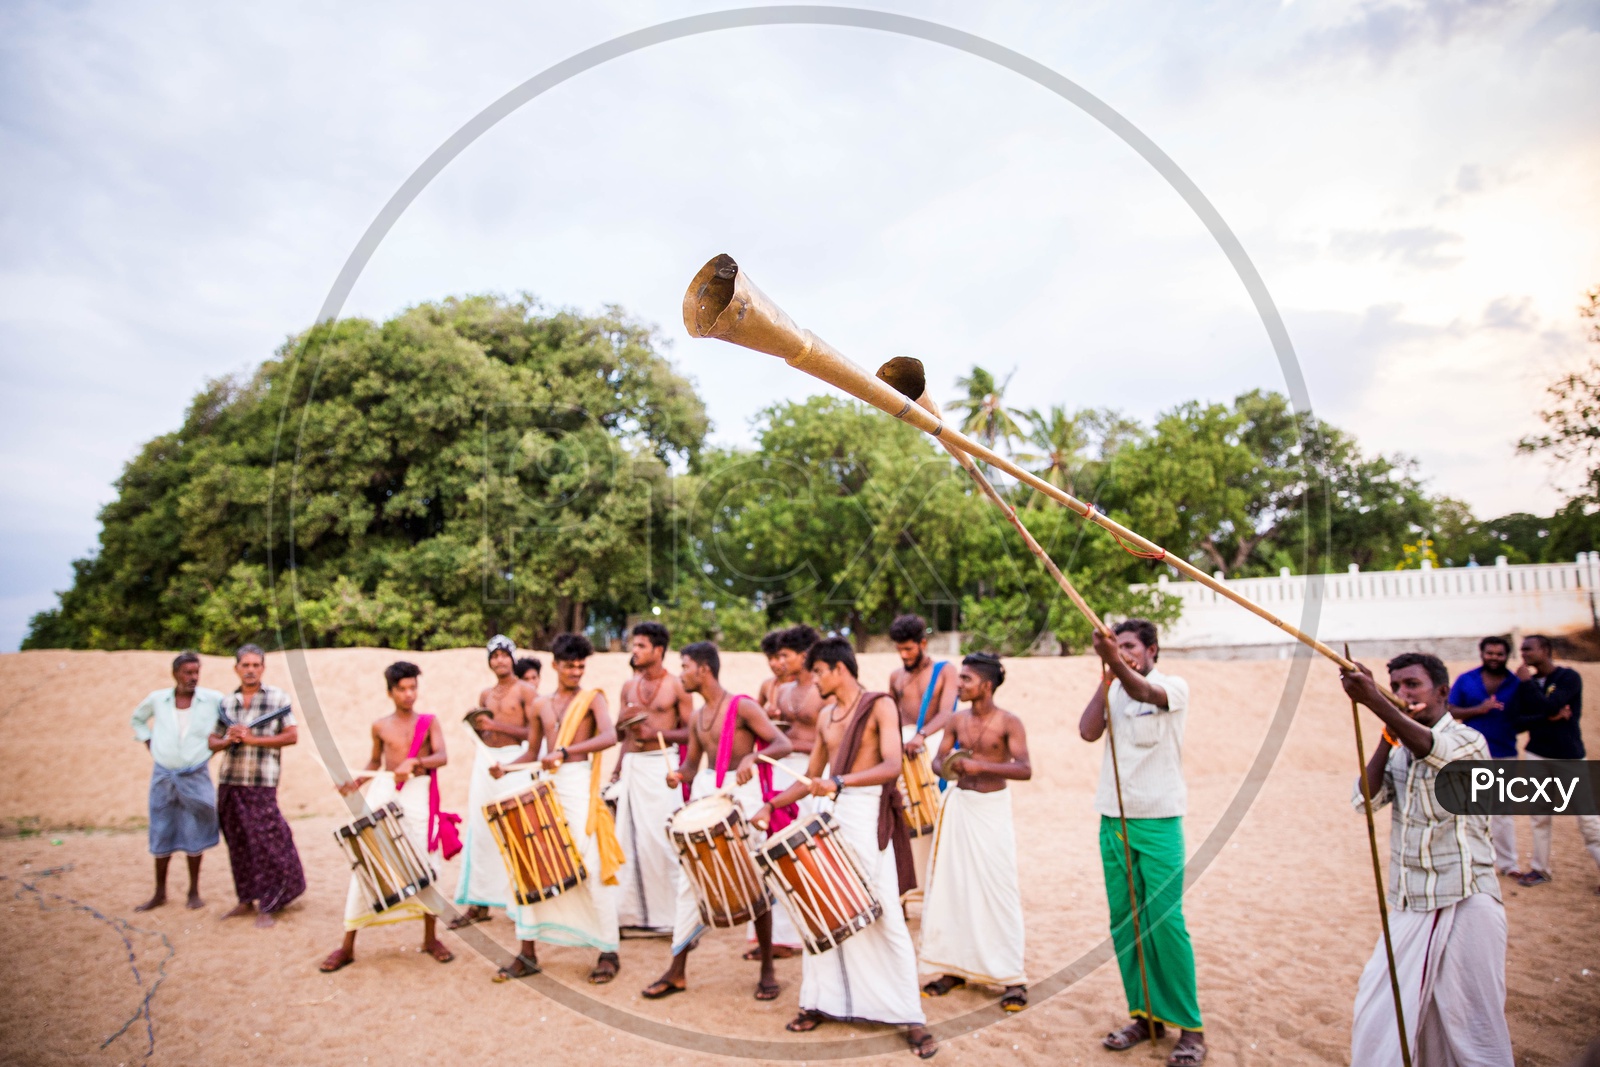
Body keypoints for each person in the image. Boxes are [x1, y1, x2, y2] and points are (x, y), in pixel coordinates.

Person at [754, 637, 934, 1059]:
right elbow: (810, 777)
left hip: (868, 817)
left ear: (839, 668)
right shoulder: (825, 716)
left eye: (818, 672)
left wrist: (839, 782)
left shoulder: (880, 705)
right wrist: (771, 805)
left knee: (884, 912)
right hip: (831, 816)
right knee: (823, 908)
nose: (814, 679)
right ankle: (819, 1002)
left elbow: (891, 765)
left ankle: (910, 1015)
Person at [1342, 652, 1514, 1066]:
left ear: (1441, 691)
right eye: (1395, 687)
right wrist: (1385, 738)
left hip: (1465, 897)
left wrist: (1375, 700)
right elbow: (1365, 800)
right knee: (1379, 1014)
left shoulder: (1468, 741)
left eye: (1412, 685)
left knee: (1472, 1027)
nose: (1403, 694)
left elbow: (1433, 750)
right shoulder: (1401, 747)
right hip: (1411, 902)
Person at [1078, 620, 1205, 1066]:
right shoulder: (1114, 686)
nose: (1124, 652)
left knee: (1166, 922)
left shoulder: (1173, 685)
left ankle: (1190, 1027)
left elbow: (1145, 693)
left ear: (1152, 650)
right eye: (1118, 645)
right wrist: (1106, 675)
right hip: (1112, 818)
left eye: (1131, 646)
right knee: (1125, 922)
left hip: (1159, 820)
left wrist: (1114, 662)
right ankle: (1146, 1016)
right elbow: (1087, 731)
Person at [642, 640, 793, 1002]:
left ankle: (767, 970)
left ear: (704, 669)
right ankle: (677, 971)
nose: (681, 674)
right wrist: (678, 776)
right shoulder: (697, 717)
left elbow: (782, 743)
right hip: (708, 795)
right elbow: (693, 766)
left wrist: (752, 759)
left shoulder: (743, 706)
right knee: (688, 882)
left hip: (742, 797)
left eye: (685, 667)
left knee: (755, 879)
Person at [491, 632, 624, 983]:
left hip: (579, 787)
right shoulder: (540, 704)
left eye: (581, 666)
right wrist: (505, 767)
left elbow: (610, 736)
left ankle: (608, 951)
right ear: (555, 665)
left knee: (591, 866)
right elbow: (532, 752)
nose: (576, 672)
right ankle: (528, 952)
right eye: (570, 666)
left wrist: (565, 752)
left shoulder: (592, 699)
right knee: (533, 864)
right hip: (547, 789)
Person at [320, 661, 454, 971]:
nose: (409, 694)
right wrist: (355, 783)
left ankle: (430, 938)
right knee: (369, 860)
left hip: (419, 794)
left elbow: (442, 756)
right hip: (386, 792)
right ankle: (347, 945)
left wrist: (416, 763)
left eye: (413, 688)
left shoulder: (429, 722)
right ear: (390, 692)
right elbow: (375, 761)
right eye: (402, 689)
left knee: (425, 862)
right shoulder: (380, 726)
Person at [920, 651, 1031, 1012]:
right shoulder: (956, 719)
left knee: (998, 889)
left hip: (991, 811)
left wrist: (980, 766)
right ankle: (954, 969)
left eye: (966, 679)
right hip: (959, 807)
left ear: (986, 685)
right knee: (954, 887)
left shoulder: (1009, 722)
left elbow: (1024, 768)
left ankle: (1012, 978)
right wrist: (947, 765)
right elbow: (938, 760)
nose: (959, 684)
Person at [210, 643, 305, 927]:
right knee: (238, 842)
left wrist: (253, 740)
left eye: (255, 665)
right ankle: (245, 899)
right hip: (230, 780)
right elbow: (212, 740)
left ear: (263, 668)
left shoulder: (277, 698)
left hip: (261, 782)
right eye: (245, 665)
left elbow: (291, 736)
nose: (250, 670)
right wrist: (227, 740)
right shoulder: (227, 703)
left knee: (266, 842)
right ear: (236, 668)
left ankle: (269, 903)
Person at [451, 635, 539, 929]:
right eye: (494, 656)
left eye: (504, 655)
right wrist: (478, 730)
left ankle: (521, 904)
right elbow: (484, 733)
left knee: (517, 829)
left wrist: (495, 726)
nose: (499, 660)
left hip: (515, 762)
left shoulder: (526, 691)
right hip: (487, 763)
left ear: (512, 657)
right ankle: (479, 903)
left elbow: (534, 734)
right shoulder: (486, 694)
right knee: (481, 829)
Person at [611, 621, 691, 937]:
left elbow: (691, 733)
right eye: (634, 645)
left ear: (658, 650)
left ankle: (676, 920)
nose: (635, 651)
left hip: (662, 767)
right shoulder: (628, 686)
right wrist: (616, 769)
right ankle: (632, 916)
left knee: (663, 841)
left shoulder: (677, 685)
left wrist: (655, 733)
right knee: (628, 843)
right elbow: (621, 736)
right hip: (633, 767)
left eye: (641, 646)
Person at [131, 651, 224, 911]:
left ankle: (193, 891)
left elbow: (229, 722)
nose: (193, 677)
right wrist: (149, 742)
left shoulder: (212, 700)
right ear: (175, 674)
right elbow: (137, 719)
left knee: (195, 829)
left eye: (196, 672)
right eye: (187, 673)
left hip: (196, 774)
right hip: (163, 775)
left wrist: (217, 745)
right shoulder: (158, 699)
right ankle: (159, 892)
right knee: (162, 829)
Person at [1510, 634, 1600, 892]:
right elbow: (1517, 722)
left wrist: (1534, 693)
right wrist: (1547, 717)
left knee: (1588, 818)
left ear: (1546, 649)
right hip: (1537, 755)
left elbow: (1551, 705)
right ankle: (1540, 869)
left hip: (1569, 756)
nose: (1524, 654)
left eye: (1529, 649)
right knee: (1539, 816)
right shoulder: (1525, 684)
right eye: (1522, 650)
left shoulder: (1568, 677)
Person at [887, 613, 958, 902]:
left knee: (939, 820)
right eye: (899, 650)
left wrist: (921, 736)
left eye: (908, 649)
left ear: (923, 644)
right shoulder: (896, 677)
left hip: (934, 747)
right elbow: (890, 715)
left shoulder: (945, 671)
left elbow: (947, 713)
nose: (904, 655)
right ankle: (909, 890)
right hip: (903, 754)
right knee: (905, 822)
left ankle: (943, 891)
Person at [1447, 636, 1523, 876]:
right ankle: (1471, 863)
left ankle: (1509, 865)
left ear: (1507, 656)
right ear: (1481, 653)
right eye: (1490, 653)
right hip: (1469, 754)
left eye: (1499, 654)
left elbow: (1526, 715)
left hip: (1504, 753)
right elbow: (1449, 709)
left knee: (1502, 813)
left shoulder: (1516, 683)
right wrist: (1478, 710)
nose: (1494, 658)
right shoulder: (1466, 679)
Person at [758, 628, 790, 715]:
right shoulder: (767, 685)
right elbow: (754, 714)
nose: (772, 663)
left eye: (777, 657)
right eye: (769, 658)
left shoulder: (800, 685)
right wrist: (766, 714)